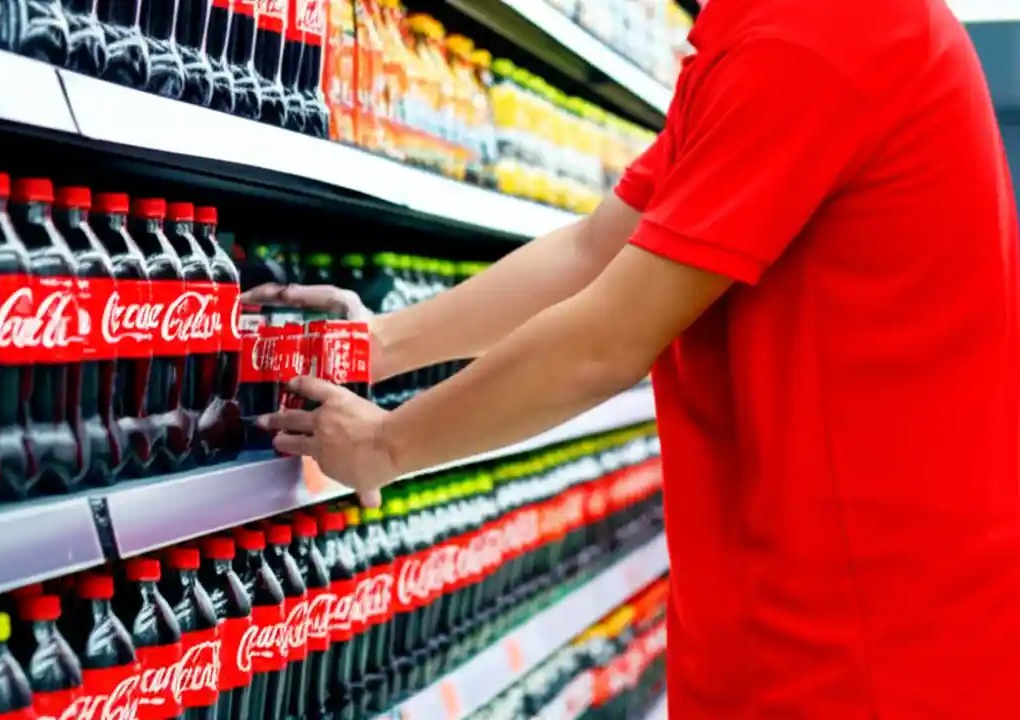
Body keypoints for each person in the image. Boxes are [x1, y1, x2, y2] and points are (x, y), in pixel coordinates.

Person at [245, 0, 1020, 717]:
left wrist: (389, 444)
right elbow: (591, 252)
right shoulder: (761, 34)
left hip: (868, 653)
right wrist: (383, 344)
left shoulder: (822, 28)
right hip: (790, 619)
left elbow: (606, 340)